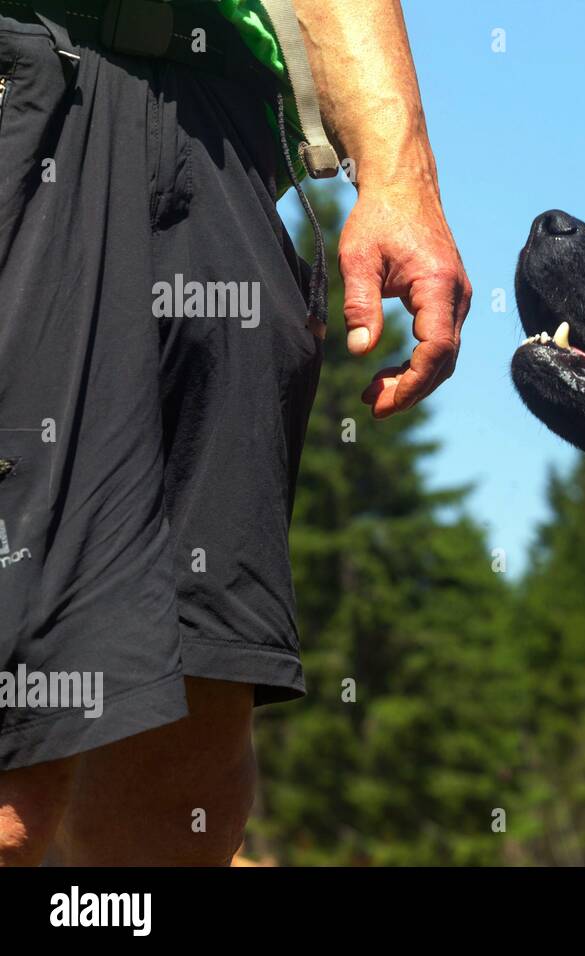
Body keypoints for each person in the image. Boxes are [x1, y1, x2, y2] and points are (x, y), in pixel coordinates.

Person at [0, 0, 470, 864]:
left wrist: (400, 177)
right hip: (19, 79)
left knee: (185, 781)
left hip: (219, 133)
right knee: (10, 798)